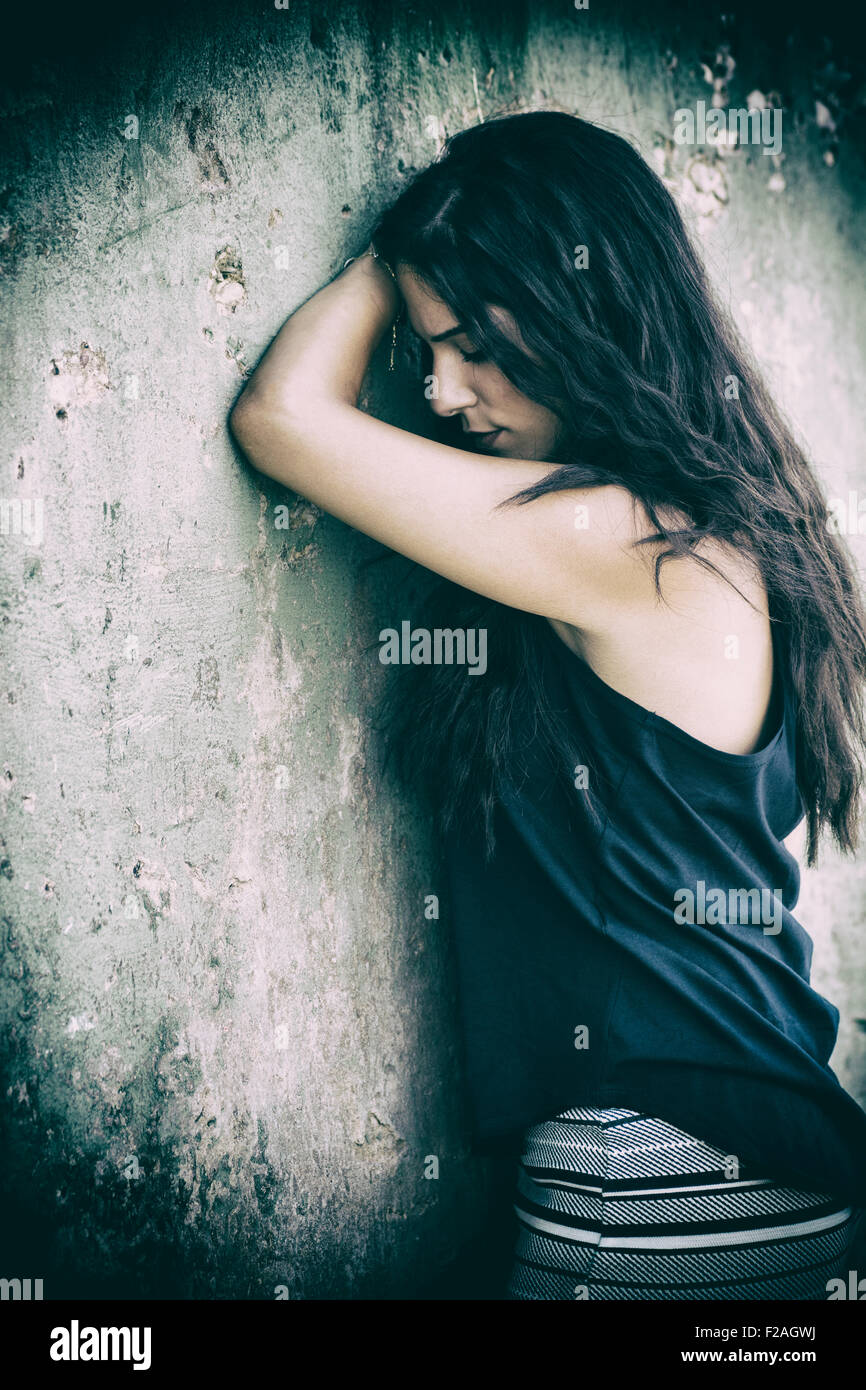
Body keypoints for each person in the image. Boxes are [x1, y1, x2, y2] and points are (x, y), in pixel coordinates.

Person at [228, 110, 866, 1300]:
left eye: (470, 338)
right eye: (427, 344)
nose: (439, 386)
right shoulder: (720, 531)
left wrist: (393, 244)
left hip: (657, 1174)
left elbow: (283, 420)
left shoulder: (625, 540)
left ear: (586, 303)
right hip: (757, 1160)